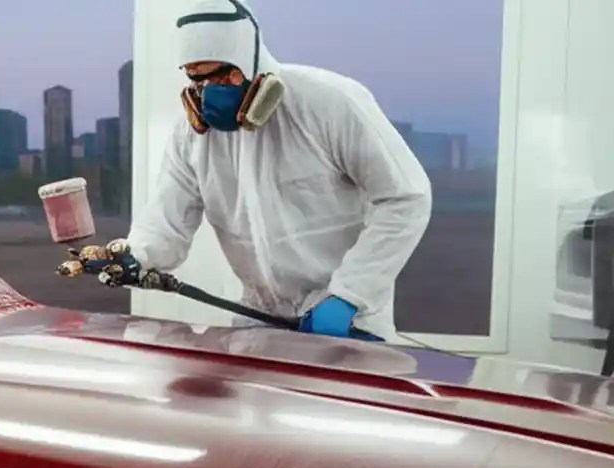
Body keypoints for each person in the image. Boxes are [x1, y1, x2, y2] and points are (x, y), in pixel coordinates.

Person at [101, 0, 432, 340]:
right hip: (259, 321)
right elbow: (167, 225)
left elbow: (405, 198)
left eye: (221, 76)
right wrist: (133, 256)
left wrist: (349, 295)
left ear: (251, 65)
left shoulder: (331, 104)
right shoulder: (193, 138)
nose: (207, 92)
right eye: (196, 78)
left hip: (346, 322)